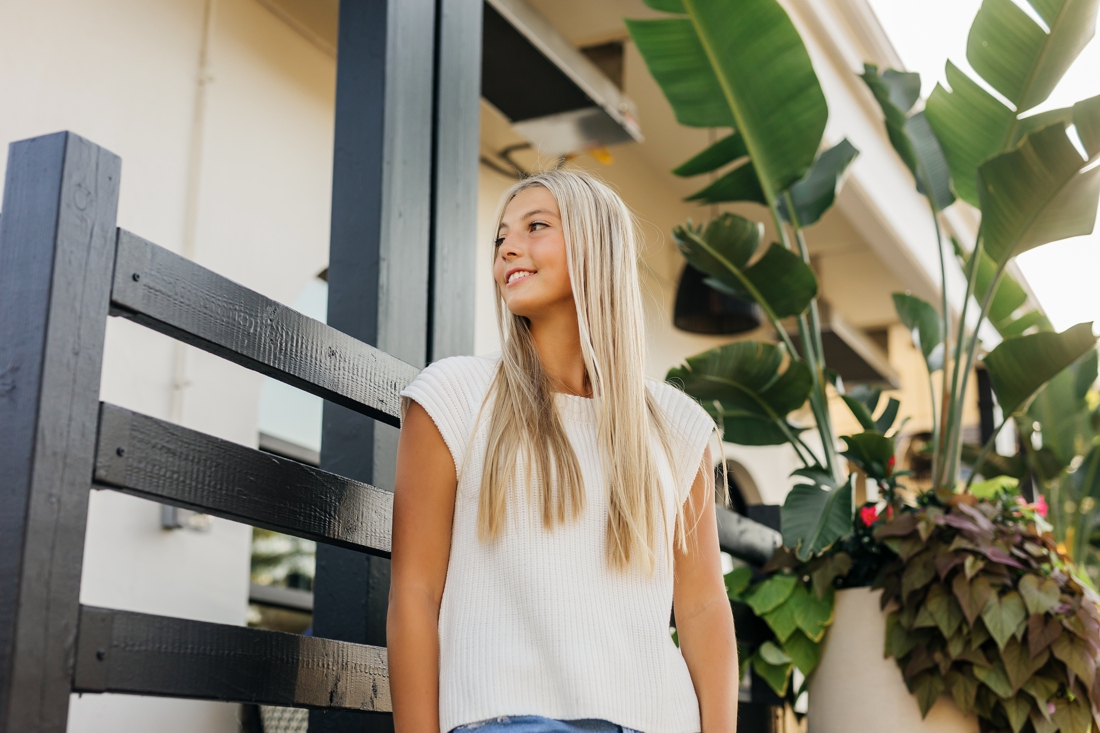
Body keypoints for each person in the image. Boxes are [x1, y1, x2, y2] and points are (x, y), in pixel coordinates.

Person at [387, 169, 737, 733]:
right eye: (500, 237)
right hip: (507, 718)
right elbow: (415, 593)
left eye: (535, 226)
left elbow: (702, 607)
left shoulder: (677, 425)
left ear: (596, 246)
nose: (508, 248)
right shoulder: (453, 396)